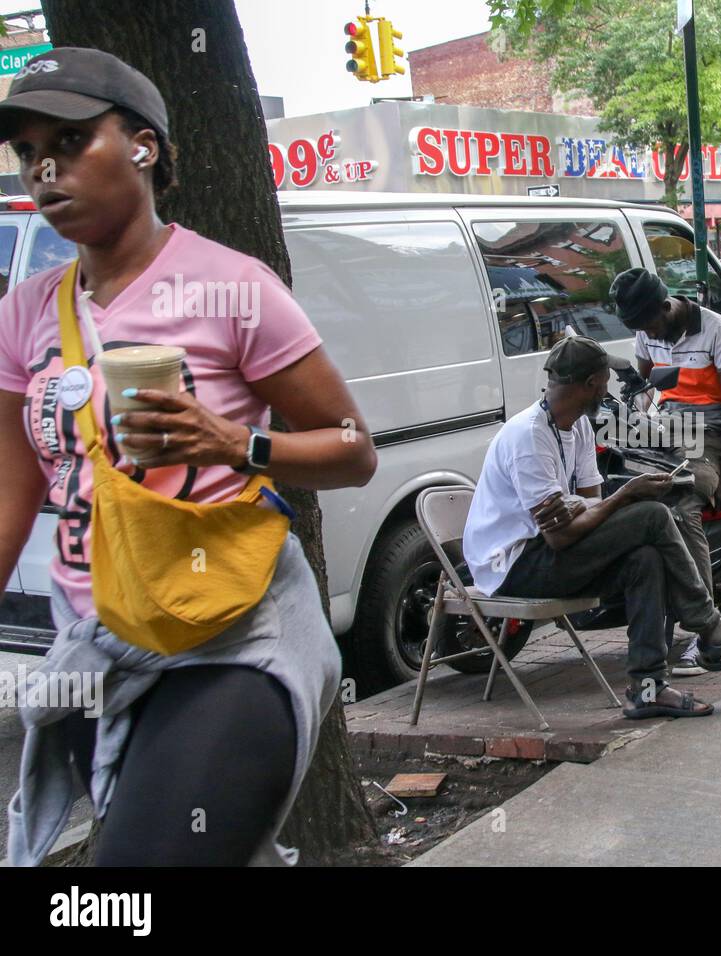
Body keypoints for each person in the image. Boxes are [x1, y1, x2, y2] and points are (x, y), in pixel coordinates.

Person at [0, 48, 378, 866]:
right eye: (28, 153)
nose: (44, 170)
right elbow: (12, 491)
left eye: (68, 140)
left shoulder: (231, 286)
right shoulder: (25, 312)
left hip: (231, 636)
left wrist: (236, 444)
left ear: (142, 146)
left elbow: (353, 451)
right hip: (99, 644)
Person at [461, 336, 721, 718]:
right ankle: (711, 629)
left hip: (548, 549)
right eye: (604, 382)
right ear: (589, 384)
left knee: (645, 558)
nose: (609, 389)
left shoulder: (578, 426)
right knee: (651, 514)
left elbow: (588, 506)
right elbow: (563, 532)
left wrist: (590, 506)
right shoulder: (528, 437)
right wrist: (626, 495)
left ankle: (647, 688)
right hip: (514, 566)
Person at [609, 268, 721, 677]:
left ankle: (708, 630)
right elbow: (645, 386)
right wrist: (636, 422)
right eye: (641, 330)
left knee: (683, 508)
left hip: (710, 433)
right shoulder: (645, 333)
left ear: (665, 307)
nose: (649, 334)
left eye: (651, 324)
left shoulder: (716, 332)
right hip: (669, 427)